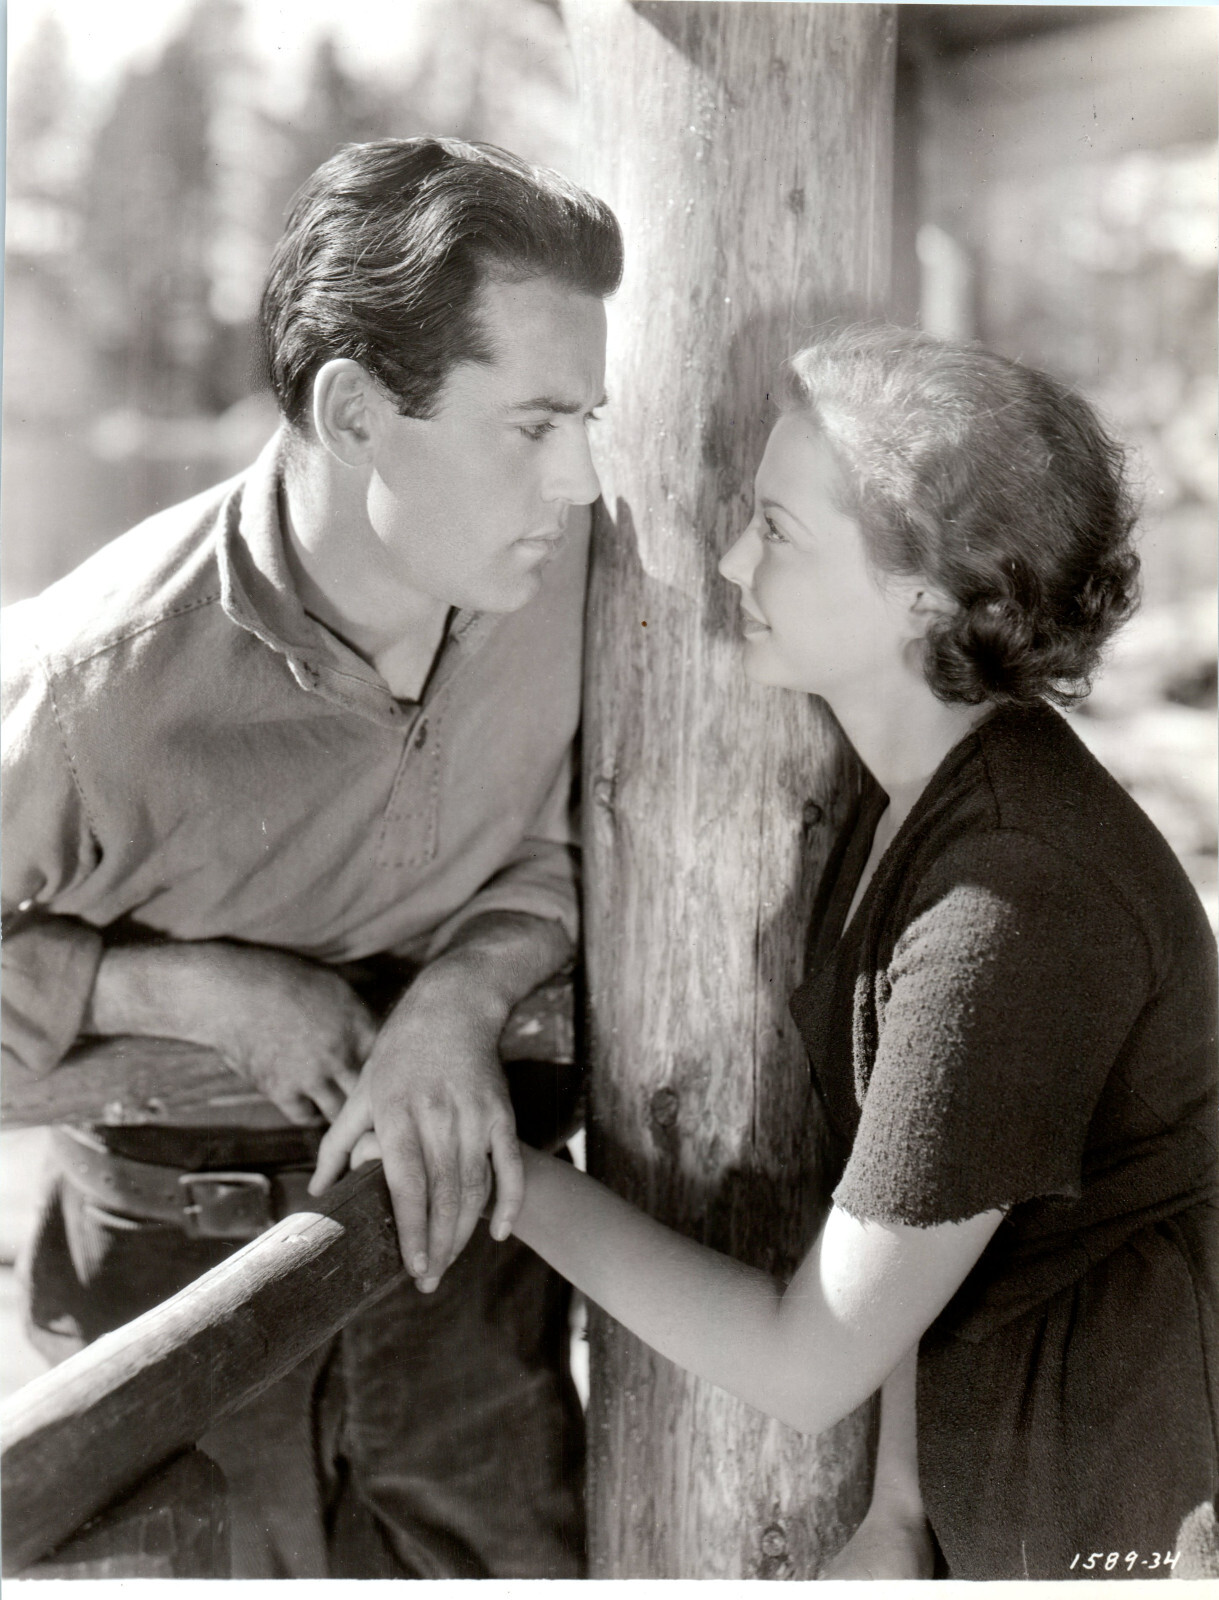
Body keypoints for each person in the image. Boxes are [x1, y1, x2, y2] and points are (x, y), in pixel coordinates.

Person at [480, 325, 1219, 1580]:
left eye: (778, 530)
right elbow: (935, 1212)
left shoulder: (1013, 898)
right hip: (1018, 1467)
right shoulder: (918, 801)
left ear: (925, 591)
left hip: (1135, 1496)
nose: (727, 559)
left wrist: (514, 1181)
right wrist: (893, 1513)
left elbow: (802, 1356)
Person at [2, 136, 621, 1578]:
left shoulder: (572, 582)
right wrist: (170, 992)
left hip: (470, 1253)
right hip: (160, 1281)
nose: (584, 479)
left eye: (587, 418)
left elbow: (587, 838)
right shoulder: (88, 689)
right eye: (533, 426)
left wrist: (464, 994)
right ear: (352, 411)